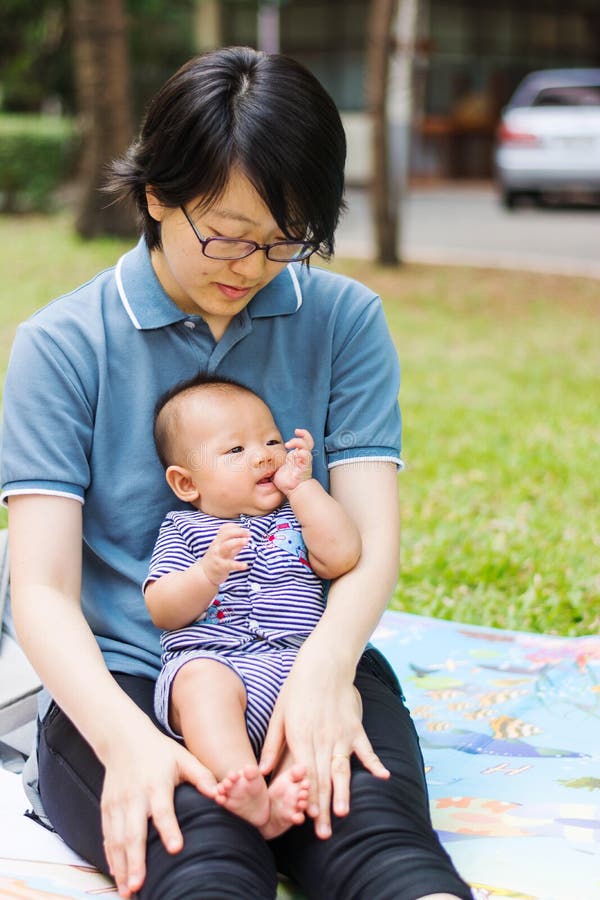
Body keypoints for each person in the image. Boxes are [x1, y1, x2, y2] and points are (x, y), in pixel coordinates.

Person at [2, 45, 472, 900]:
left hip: (312, 652)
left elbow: (371, 543)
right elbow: (40, 588)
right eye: (222, 232)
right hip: (127, 679)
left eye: (283, 239)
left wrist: (327, 676)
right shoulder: (60, 345)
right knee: (202, 858)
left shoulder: (345, 321)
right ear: (155, 194)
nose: (247, 266)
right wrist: (126, 739)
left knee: (376, 842)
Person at [144, 374, 364, 839]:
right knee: (200, 685)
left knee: (340, 697)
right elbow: (161, 608)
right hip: (217, 664)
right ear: (186, 483)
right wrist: (205, 575)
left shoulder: (297, 515)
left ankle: (290, 789)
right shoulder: (184, 530)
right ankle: (244, 784)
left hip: (296, 668)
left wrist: (303, 489)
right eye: (236, 451)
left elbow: (341, 555)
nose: (263, 455)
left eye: (269, 440)